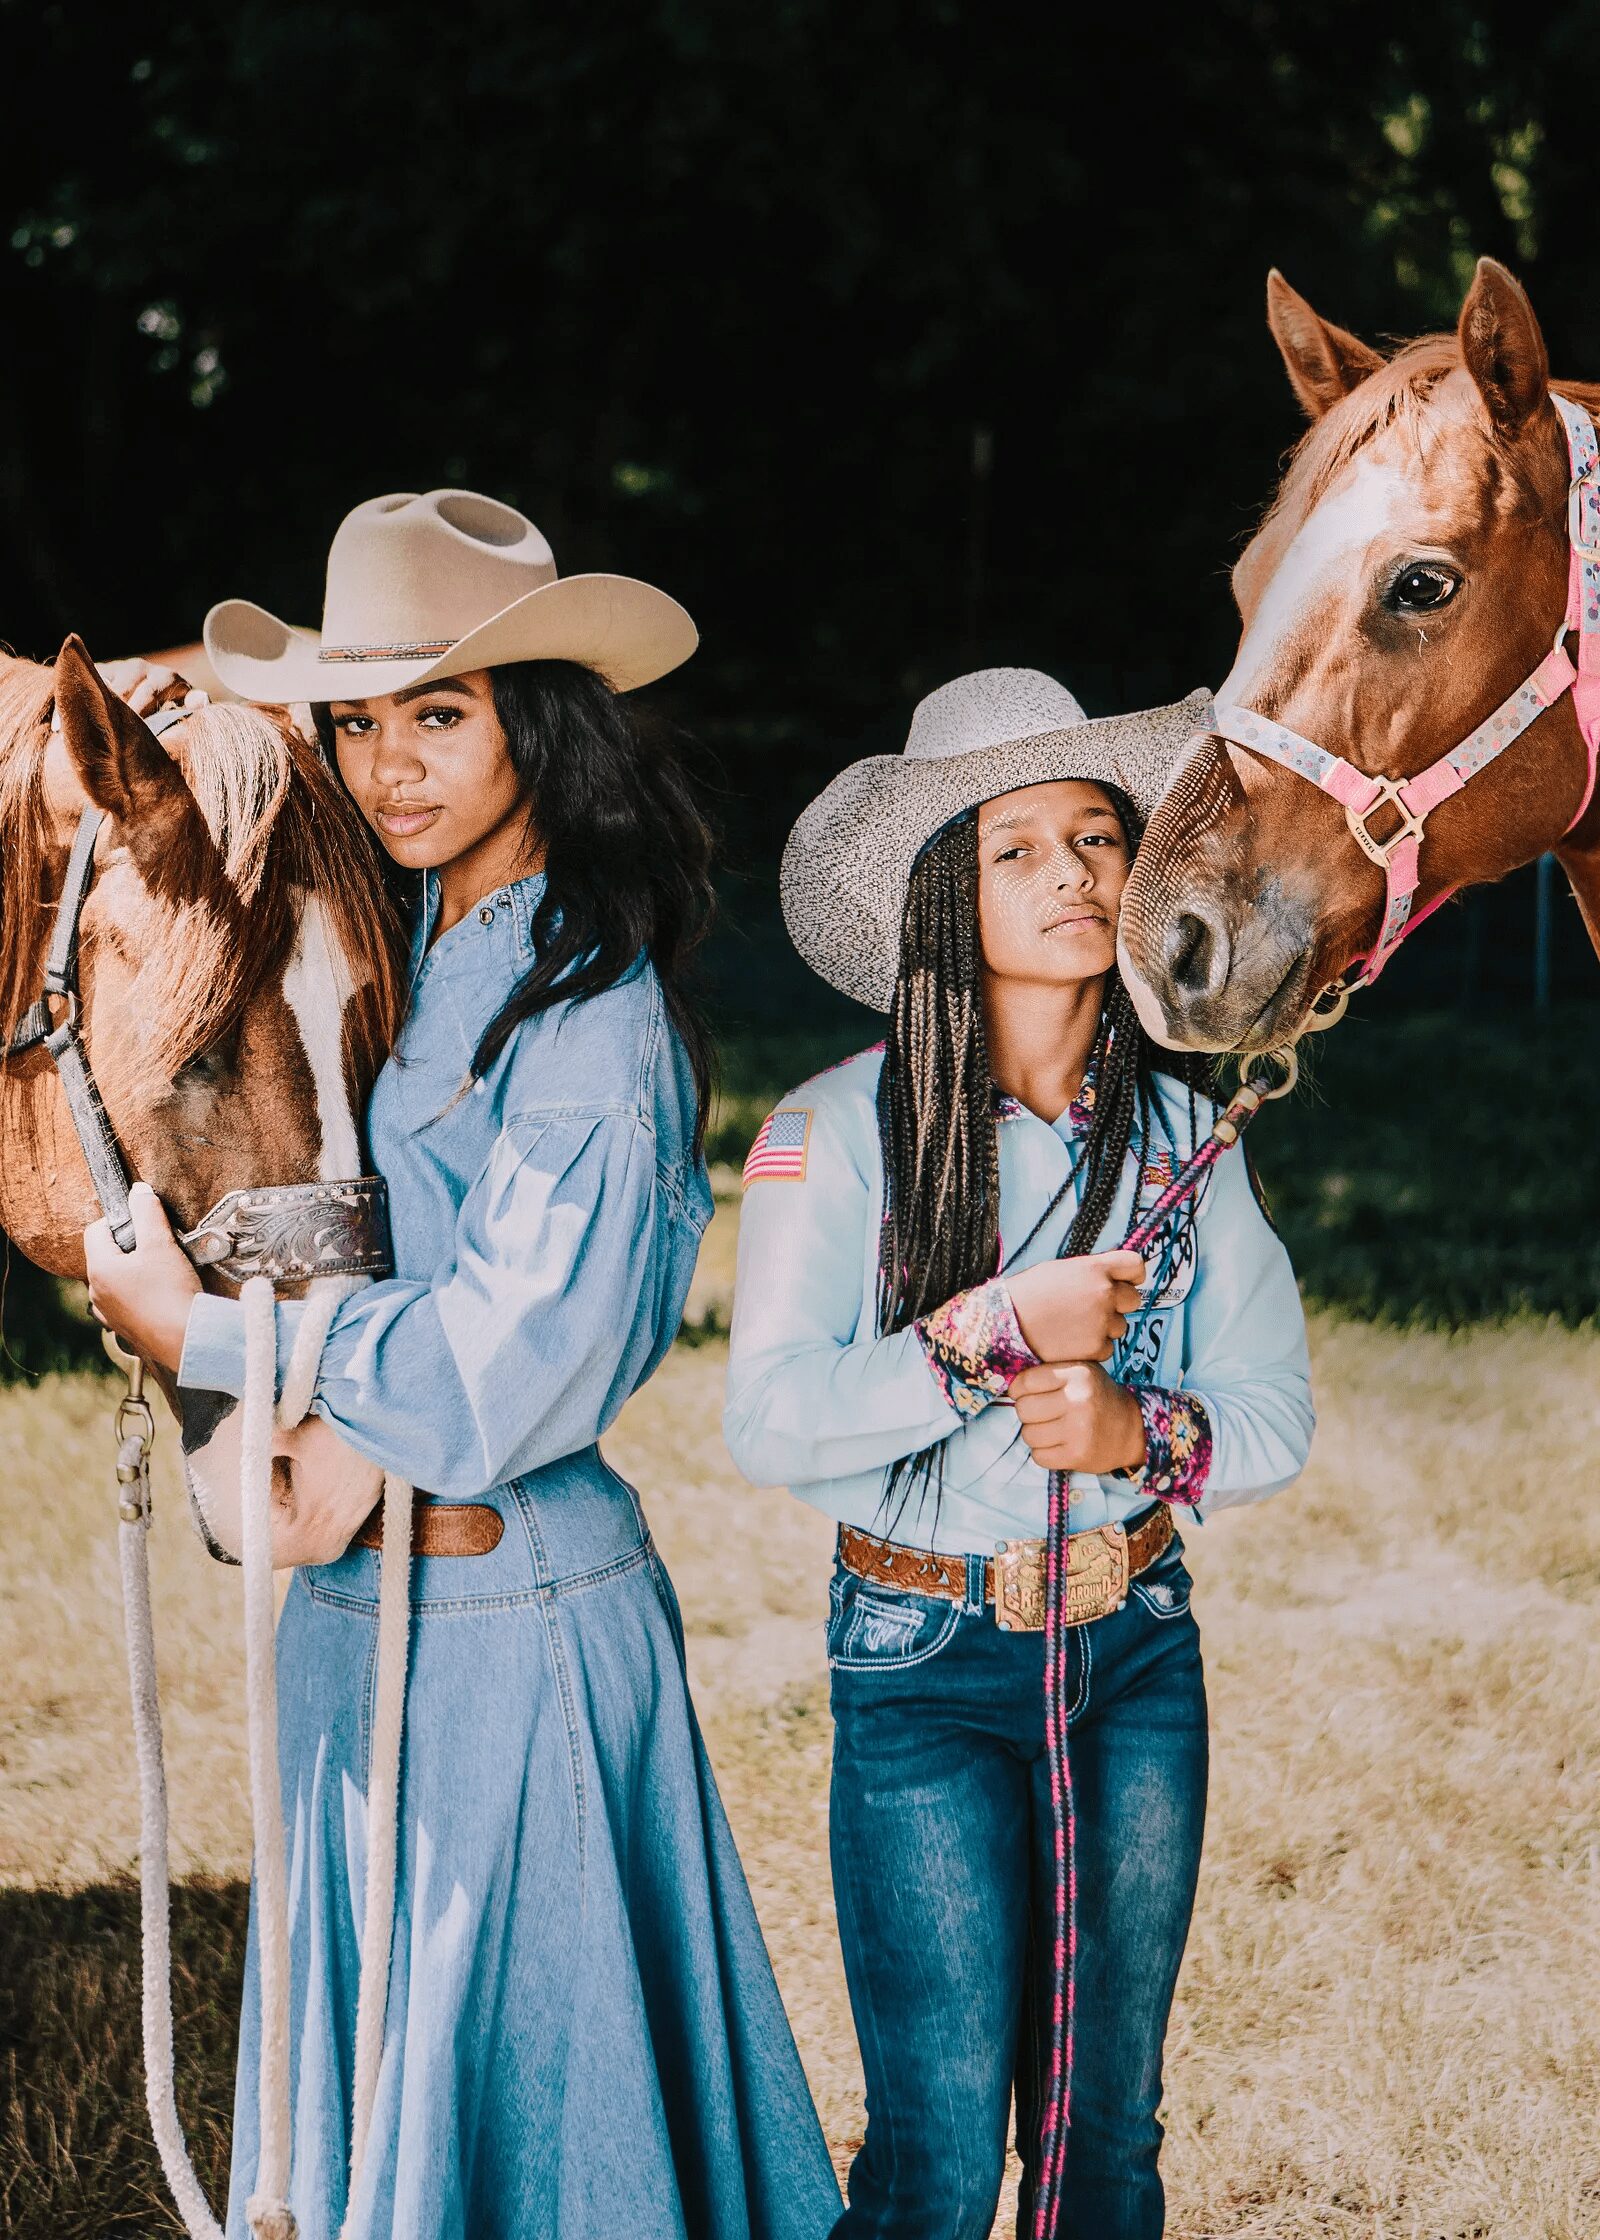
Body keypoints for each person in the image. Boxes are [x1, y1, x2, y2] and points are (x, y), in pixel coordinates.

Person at [86, 489, 841, 2240]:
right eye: (357, 723)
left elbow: (497, 1373)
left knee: (535, 2131)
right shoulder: (396, 960)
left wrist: (200, 1331)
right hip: (355, 1617)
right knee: (378, 2109)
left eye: (439, 712)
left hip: (511, 1628)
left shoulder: (590, 1018)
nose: (390, 765)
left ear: (541, 723)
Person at [723, 668, 1314, 2240]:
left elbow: (1275, 1412)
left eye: (1098, 838)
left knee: (1106, 2135)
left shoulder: (1188, 1143)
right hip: (925, 1661)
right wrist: (989, 1337)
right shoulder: (829, 1133)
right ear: (942, 896)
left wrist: (1140, 1431)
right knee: (934, 2156)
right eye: (1017, 848)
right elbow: (771, 1416)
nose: (1071, 874)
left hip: (1136, 1656)